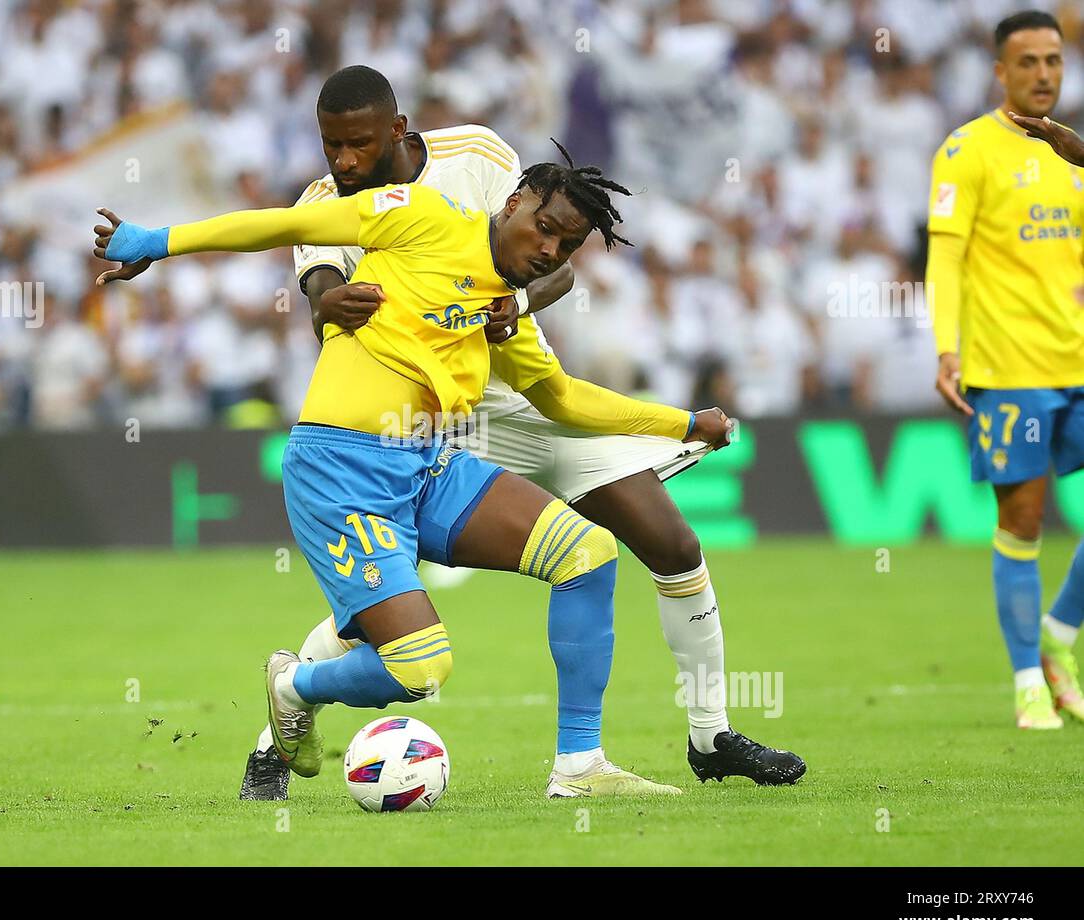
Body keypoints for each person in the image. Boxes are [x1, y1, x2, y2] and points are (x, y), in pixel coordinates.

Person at [94, 149, 768, 797]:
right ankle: (295, 687)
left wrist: (682, 424)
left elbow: (563, 398)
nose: (549, 251)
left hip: (423, 465)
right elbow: (289, 222)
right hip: (340, 468)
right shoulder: (423, 215)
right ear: (512, 203)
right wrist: (157, 240)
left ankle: (579, 765)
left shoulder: (505, 315)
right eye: (545, 229)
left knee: (587, 553)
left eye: (566, 248)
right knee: (421, 667)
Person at [233, 66, 805, 798]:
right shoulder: (323, 203)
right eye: (330, 147)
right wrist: (327, 302)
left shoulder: (475, 154)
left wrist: (518, 302)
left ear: (396, 133)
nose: (341, 163)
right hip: (428, 418)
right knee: (381, 606)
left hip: (529, 396)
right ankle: (275, 740)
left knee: (669, 542)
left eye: (356, 146)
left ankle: (707, 736)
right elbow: (319, 291)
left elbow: (555, 258)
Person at [926, 10, 1084, 729]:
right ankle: (1028, 679)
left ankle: (1060, 636)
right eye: (1028, 62)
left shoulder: (1076, 154)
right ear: (1000, 71)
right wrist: (946, 347)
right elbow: (948, 257)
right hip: (1010, 366)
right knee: (1023, 519)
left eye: (1053, 60)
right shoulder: (966, 151)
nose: (1044, 74)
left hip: (1079, 358)